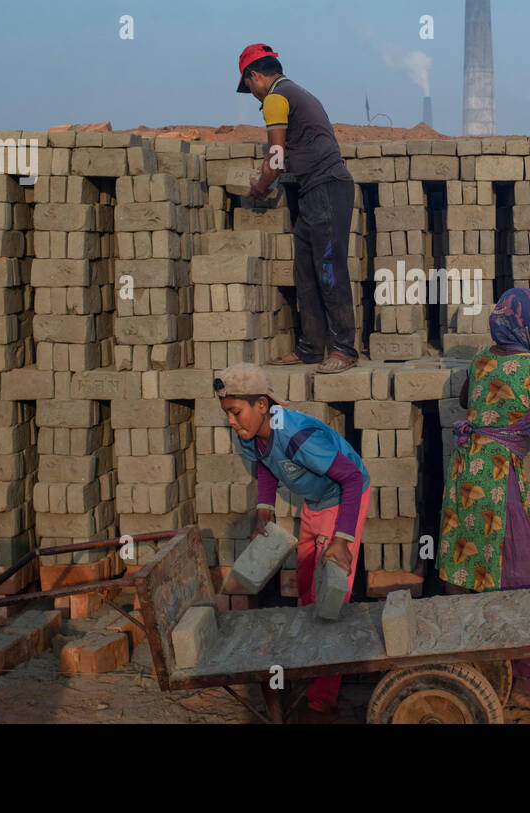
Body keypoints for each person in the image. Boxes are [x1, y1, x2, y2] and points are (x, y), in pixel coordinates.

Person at [438, 288, 530, 723]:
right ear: (528, 325)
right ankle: (527, 684)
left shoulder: (483, 358)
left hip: (464, 466)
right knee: (518, 571)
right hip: (497, 477)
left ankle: (464, 664)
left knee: (463, 562)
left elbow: (466, 400)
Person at [216, 362, 372, 718]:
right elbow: (267, 465)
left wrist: (341, 540)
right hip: (317, 501)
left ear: (261, 405)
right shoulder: (253, 433)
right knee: (305, 583)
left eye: (236, 412)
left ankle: (322, 697)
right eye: (226, 413)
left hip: (344, 499)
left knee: (330, 596)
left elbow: (349, 479)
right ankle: (307, 660)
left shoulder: (298, 435)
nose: (231, 421)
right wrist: (264, 510)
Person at [236, 43, 358, 374]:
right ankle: (310, 348)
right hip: (313, 190)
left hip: (328, 188)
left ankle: (344, 349)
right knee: (305, 270)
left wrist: (260, 187)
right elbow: (289, 151)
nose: (253, 96)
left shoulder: (275, 98)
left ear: (255, 76)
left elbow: (276, 157)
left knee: (329, 268)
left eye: (249, 87)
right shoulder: (296, 93)